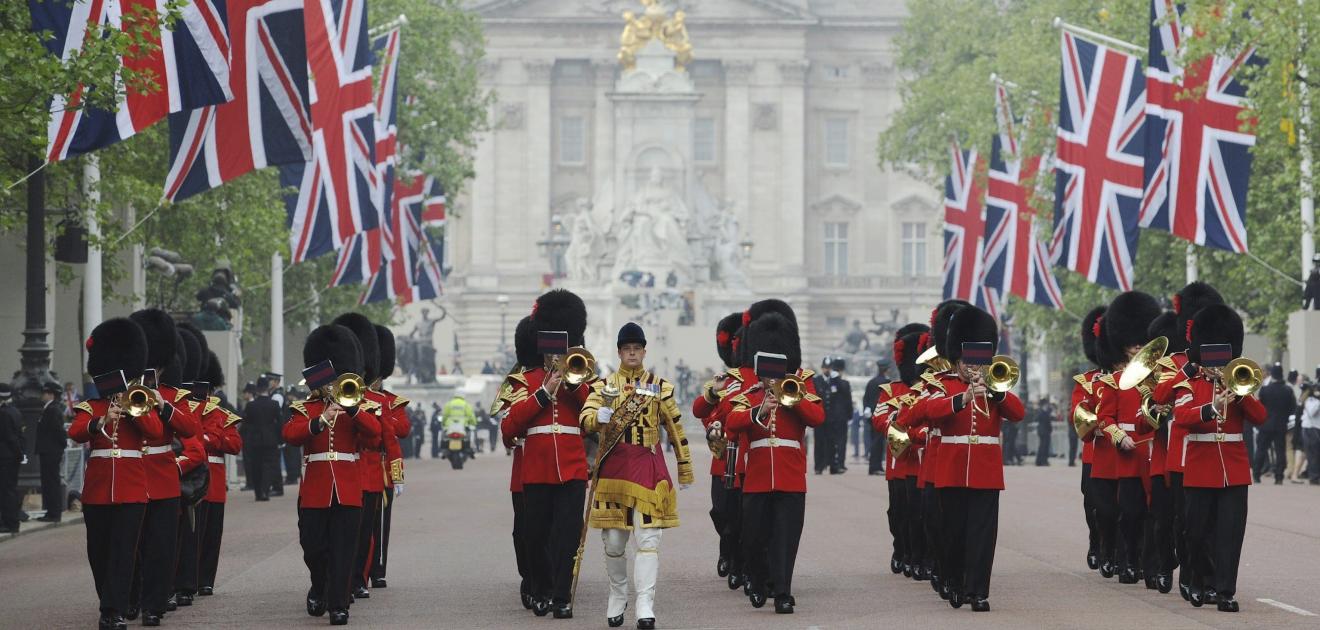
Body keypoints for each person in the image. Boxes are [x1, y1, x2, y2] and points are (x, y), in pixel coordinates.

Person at [580, 322, 694, 629]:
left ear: (644, 352)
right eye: (627, 349)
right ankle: (618, 595)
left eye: (637, 349)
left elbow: (676, 429)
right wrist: (596, 418)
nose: (632, 353)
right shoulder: (603, 386)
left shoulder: (660, 387)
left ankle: (645, 604)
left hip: (647, 467)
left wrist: (684, 467)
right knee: (614, 543)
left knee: (648, 540)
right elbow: (585, 417)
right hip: (614, 469)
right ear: (619, 352)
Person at [725, 309, 825, 614]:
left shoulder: (801, 386)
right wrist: (760, 409)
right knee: (754, 537)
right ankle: (757, 581)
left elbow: (817, 417)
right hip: (757, 476)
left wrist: (790, 399)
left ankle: (782, 592)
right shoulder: (751, 393)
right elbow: (732, 423)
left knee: (786, 537)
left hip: (790, 475)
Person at [499, 290, 592, 618]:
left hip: (572, 468)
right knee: (535, 535)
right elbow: (509, 427)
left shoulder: (580, 378)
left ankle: (561, 597)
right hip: (536, 469)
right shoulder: (524, 382)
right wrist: (543, 392)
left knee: (568, 536)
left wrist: (571, 383)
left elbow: (593, 417)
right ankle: (539, 589)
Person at [69, 318, 165, 630]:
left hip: (132, 489)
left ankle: (113, 611)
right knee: (98, 552)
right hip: (97, 490)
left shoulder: (138, 401)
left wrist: (131, 407)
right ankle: (118, 597)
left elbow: (155, 430)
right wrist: (101, 421)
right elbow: (76, 432)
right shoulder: (91, 406)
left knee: (124, 552)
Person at [285, 324, 383, 626]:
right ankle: (319, 586)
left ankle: (339, 605)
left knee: (344, 550)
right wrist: (320, 419)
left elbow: (375, 434)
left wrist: (351, 409)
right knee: (313, 546)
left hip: (348, 489)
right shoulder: (305, 408)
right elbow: (290, 434)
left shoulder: (357, 407)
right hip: (315, 489)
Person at [1174, 304, 1266, 612]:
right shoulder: (1190, 383)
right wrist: (1211, 407)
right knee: (1195, 533)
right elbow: (1182, 417)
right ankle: (1198, 580)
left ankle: (1225, 591)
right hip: (1200, 467)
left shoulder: (1238, 383)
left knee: (1230, 533)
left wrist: (1239, 394)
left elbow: (1260, 417)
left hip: (1234, 469)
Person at [127, 308, 203, 625]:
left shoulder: (174, 395)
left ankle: (154, 604)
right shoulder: (123, 393)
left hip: (163, 477)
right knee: (131, 545)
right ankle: (131, 597)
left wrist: (162, 403)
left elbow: (189, 429)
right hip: (131, 477)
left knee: (161, 546)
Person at [693, 312, 745, 586]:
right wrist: (715, 393)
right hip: (723, 457)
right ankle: (727, 550)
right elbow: (701, 410)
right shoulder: (721, 380)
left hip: (746, 457)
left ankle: (737, 560)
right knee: (720, 512)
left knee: (742, 515)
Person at [197, 353, 242, 597]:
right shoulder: (186, 411)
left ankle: (206, 580)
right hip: (190, 478)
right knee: (191, 535)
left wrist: (215, 439)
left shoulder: (223, 415)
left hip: (213, 482)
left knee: (212, 534)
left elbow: (235, 445)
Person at [241, 377, 284, 501]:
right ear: (267, 388)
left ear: (257, 389)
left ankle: (258, 492)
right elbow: (280, 423)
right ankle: (265, 490)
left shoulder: (250, 405)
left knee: (256, 466)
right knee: (268, 466)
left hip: (254, 440)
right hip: (271, 440)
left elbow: (246, 424)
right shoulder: (274, 404)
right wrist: (280, 440)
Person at [1254, 364, 1295, 485]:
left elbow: (1259, 406)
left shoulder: (1265, 389)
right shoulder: (1288, 390)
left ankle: (1256, 474)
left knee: (1261, 449)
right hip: (1281, 425)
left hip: (1266, 424)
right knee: (1280, 451)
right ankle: (1279, 476)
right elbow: (1292, 408)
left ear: (1272, 374)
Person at [36, 382, 67, 523]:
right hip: (49, 450)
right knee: (48, 482)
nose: (42, 395)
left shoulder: (52, 409)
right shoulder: (49, 408)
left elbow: (58, 430)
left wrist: (60, 446)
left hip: (51, 451)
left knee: (51, 481)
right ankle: (50, 511)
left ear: (50, 394)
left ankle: (54, 512)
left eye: (44, 393)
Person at [0, 384, 24, 534]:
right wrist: (20, 454)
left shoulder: (3, 413)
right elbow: (20, 436)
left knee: (6, 491)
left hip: (5, 457)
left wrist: (17, 453)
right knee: (11, 489)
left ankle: (10, 523)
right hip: (13, 457)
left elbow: (9, 437)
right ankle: (12, 521)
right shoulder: (15, 411)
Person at [823, 358, 852, 474]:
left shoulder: (828, 382)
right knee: (841, 441)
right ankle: (839, 464)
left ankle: (832, 464)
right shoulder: (844, 383)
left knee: (831, 441)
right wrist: (850, 415)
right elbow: (848, 400)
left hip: (830, 416)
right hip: (841, 417)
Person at [862, 358, 891, 476]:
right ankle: (876, 467)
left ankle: (874, 466)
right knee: (879, 442)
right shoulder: (887, 382)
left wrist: (867, 410)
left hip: (872, 415)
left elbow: (866, 398)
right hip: (882, 415)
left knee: (874, 440)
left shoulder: (871, 382)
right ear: (886, 369)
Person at [442, 392, 477, 458]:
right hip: (463, 426)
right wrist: (473, 423)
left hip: (450, 426)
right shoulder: (466, 404)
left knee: (444, 436)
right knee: (470, 435)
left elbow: (445, 416)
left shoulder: (449, 404)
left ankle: (443, 450)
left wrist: (443, 424)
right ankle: (472, 449)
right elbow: (471, 416)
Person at [1302, 381, 1320, 484]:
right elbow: (1312, 412)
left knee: (1316, 453)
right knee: (1313, 453)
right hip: (1311, 428)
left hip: (1316, 428)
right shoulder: (1311, 400)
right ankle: (1313, 477)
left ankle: (1315, 475)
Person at [1034, 398, 1054, 467]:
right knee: (1044, 446)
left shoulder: (1043, 411)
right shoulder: (1042, 412)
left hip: (1044, 431)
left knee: (1042, 446)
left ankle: (1039, 461)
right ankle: (1043, 461)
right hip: (1044, 431)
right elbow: (1045, 421)